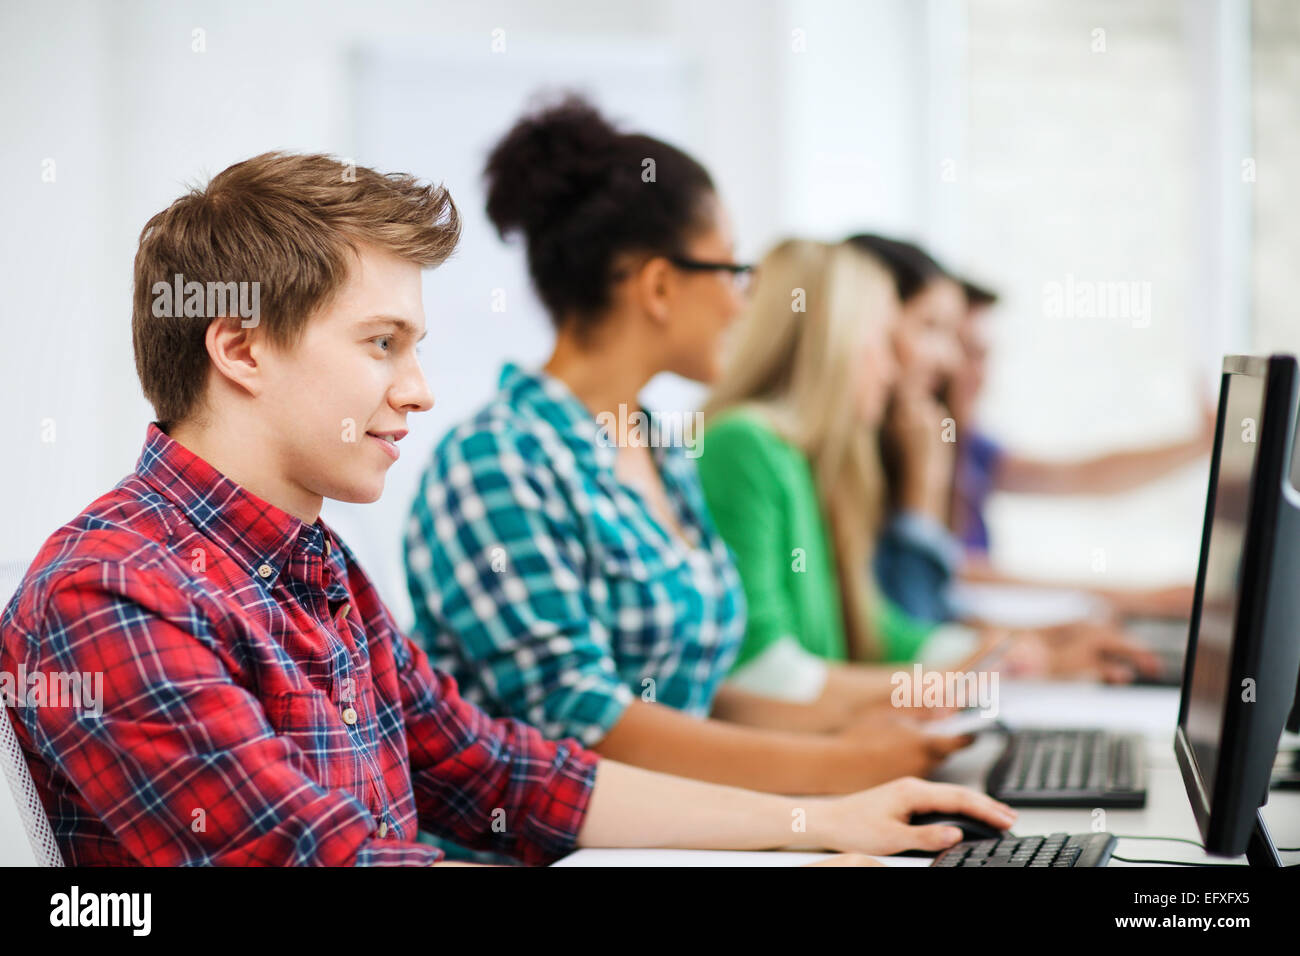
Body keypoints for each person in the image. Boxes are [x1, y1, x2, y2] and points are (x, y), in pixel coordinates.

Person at [0, 151, 1017, 866]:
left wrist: (816, 822)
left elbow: (497, 769)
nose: (419, 390)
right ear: (239, 348)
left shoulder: (316, 565)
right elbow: (325, 859)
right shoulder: (113, 592)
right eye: (382, 343)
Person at [404, 96, 972, 801]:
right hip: (561, 846)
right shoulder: (499, 462)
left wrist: (851, 728)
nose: (742, 302)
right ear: (659, 286)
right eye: (730, 269)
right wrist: (837, 767)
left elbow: (694, 698)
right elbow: (589, 724)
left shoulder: (660, 449)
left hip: (676, 830)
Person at [698, 238, 1155, 695]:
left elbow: (875, 631)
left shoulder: (799, 458)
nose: (893, 370)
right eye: (883, 341)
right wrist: (952, 682)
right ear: (835, 341)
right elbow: (764, 672)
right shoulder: (746, 446)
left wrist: (1023, 655)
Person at [946, 278, 1212, 619]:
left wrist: (1201, 445)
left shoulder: (965, 444)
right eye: (967, 353)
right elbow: (955, 574)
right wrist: (1135, 598)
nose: (981, 375)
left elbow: (1080, 476)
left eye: (984, 356)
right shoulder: (916, 450)